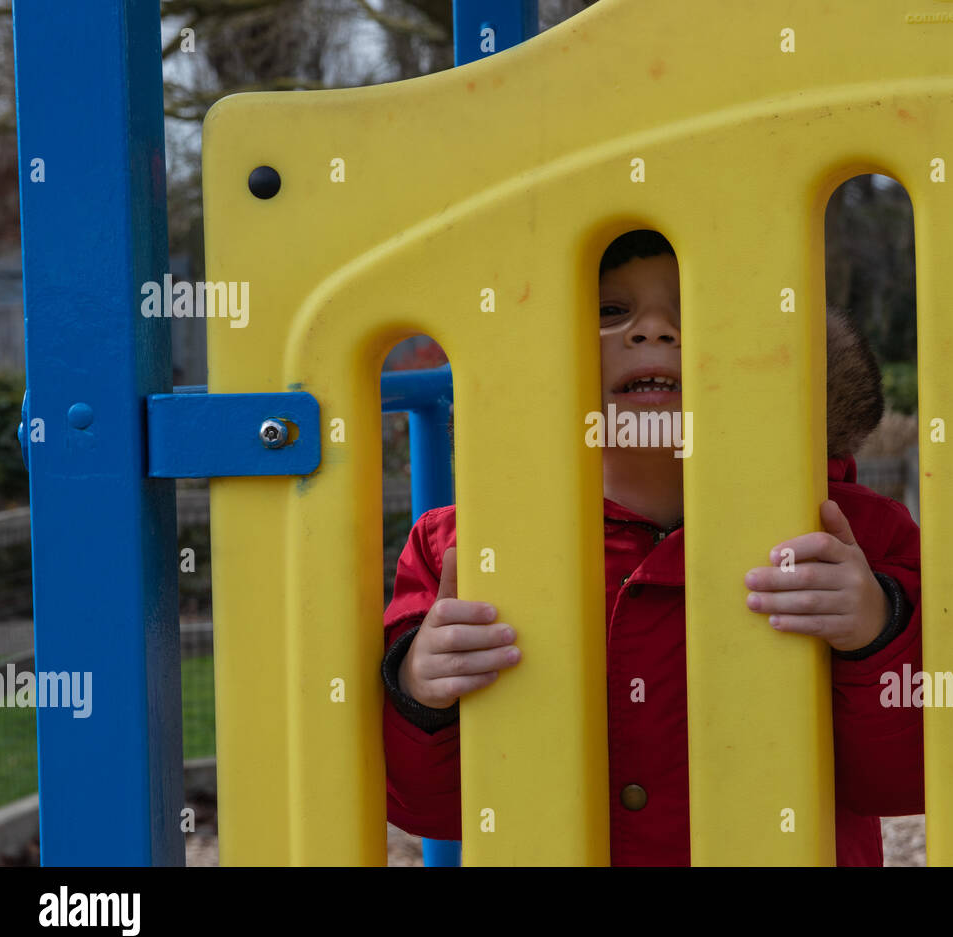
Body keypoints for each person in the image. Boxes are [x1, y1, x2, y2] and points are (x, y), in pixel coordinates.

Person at [381, 230, 924, 865]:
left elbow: (905, 779)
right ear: (533, 353)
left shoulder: (848, 536)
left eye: (694, 309)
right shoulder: (464, 548)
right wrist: (421, 689)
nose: (656, 331)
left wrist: (874, 631)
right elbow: (429, 806)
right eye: (611, 311)